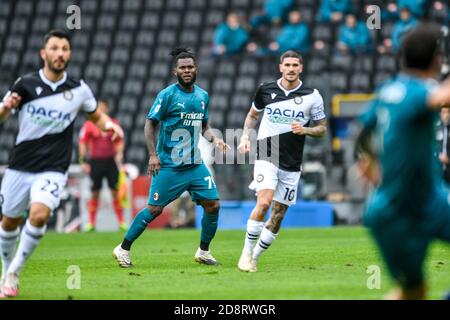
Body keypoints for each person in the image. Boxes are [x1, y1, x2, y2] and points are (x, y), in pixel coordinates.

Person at [0, 30, 123, 298]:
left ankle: (14, 272)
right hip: (20, 166)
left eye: (65, 48)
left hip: (53, 168)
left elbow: (96, 116)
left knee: (39, 214)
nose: (60, 53)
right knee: (8, 222)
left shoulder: (78, 89)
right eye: (54, 48)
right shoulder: (25, 84)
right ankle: (6, 270)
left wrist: (110, 126)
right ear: (43, 53)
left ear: (69, 54)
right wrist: (6, 108)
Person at [355, 23, 450, 300]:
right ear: (436, 59)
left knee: (413, 291)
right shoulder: (419, 92)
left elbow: (362, 134)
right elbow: (441, 97)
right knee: (413, 292)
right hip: (404, 209)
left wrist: (368, 164)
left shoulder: (388, 91)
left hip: (411, 205)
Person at [112, 48, 230, 268]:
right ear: (175, 71)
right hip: (169, 166)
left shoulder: (202, 96)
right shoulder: (167, 95)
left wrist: (215, 139)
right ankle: (123, 248)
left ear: (196, 69)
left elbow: (203, 125)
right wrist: (152, 155)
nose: (187, 70)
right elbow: (149, 123)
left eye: (190, 67)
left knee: (213, 204)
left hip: (195, 165)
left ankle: (203, 251)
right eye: (182, 67)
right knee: (154, 210)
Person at [237, 50, 327, 272]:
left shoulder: (312, 95)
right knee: (264, 202)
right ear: (280, 67)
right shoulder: (266, 90)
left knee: (277, 216)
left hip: (292, 162)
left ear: (301, 68)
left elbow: (322, 128)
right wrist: (245, 137)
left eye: (295, 65)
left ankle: (255, 257)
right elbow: (252, 116)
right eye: (287, 65)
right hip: (268, 151)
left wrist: (305, 129)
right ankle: (246, 253)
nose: (291, 69)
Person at [79, 100, 128, 232]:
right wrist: (82, 160)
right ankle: (91, 222)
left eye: (103, 108)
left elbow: (120, 140)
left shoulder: (113, 124)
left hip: (110, 161)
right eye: (98, 108)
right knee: (95, 192)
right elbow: (83, 142)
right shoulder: (89, 125)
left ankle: (121, 221)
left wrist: (120, 154)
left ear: (106, 109)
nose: (100, 110)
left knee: (115, 192)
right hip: (96, 162)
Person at [436, 108, 450, 185]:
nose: (446, 115)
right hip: (437, 171)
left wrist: (448, 159)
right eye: (443, 112)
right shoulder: (436, 128)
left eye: (448, 112)